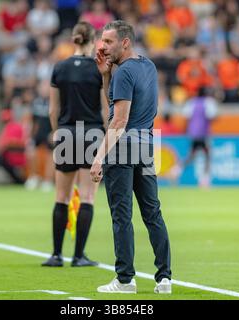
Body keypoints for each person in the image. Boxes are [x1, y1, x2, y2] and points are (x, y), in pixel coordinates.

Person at [90, 20, 172, 294]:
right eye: (102, 41)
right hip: (147, 144)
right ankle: (164, 278)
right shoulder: (147, 66)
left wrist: (99, 157)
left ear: (125, 42)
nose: (103, 46)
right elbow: (118, 104)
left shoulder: (124, 72)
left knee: (121, 216)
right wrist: (105, 76)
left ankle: (125, 280)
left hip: (123, 146)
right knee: (152, 212)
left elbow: (118, 120)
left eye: (109, 41)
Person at [41, 22, 108, 268]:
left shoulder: (59, 67)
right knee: (88, 196)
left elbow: (52, 109)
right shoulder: (98, 70)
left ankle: (56, 254)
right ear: (93, 41)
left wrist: (56, 132)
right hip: (91, 133)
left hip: (66, 133)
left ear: (73, 39)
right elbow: (105, 109)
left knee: (61, 196)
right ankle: (79, 256)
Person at [181, 86, 218, 188]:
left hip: (193, 134)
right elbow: (212, 116)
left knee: (191, 156)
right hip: (204, 134)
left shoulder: (192, 102)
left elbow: (186, 116)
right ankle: (205, 180)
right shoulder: (209, 102)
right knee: (207, 156)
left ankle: (175, 171)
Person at [0, 109, 27, 184]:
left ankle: (19, 181)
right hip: (7, 157)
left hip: (14, 158)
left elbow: (20, 143)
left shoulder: (15, 127)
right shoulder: (8, 127)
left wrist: (6, 144)